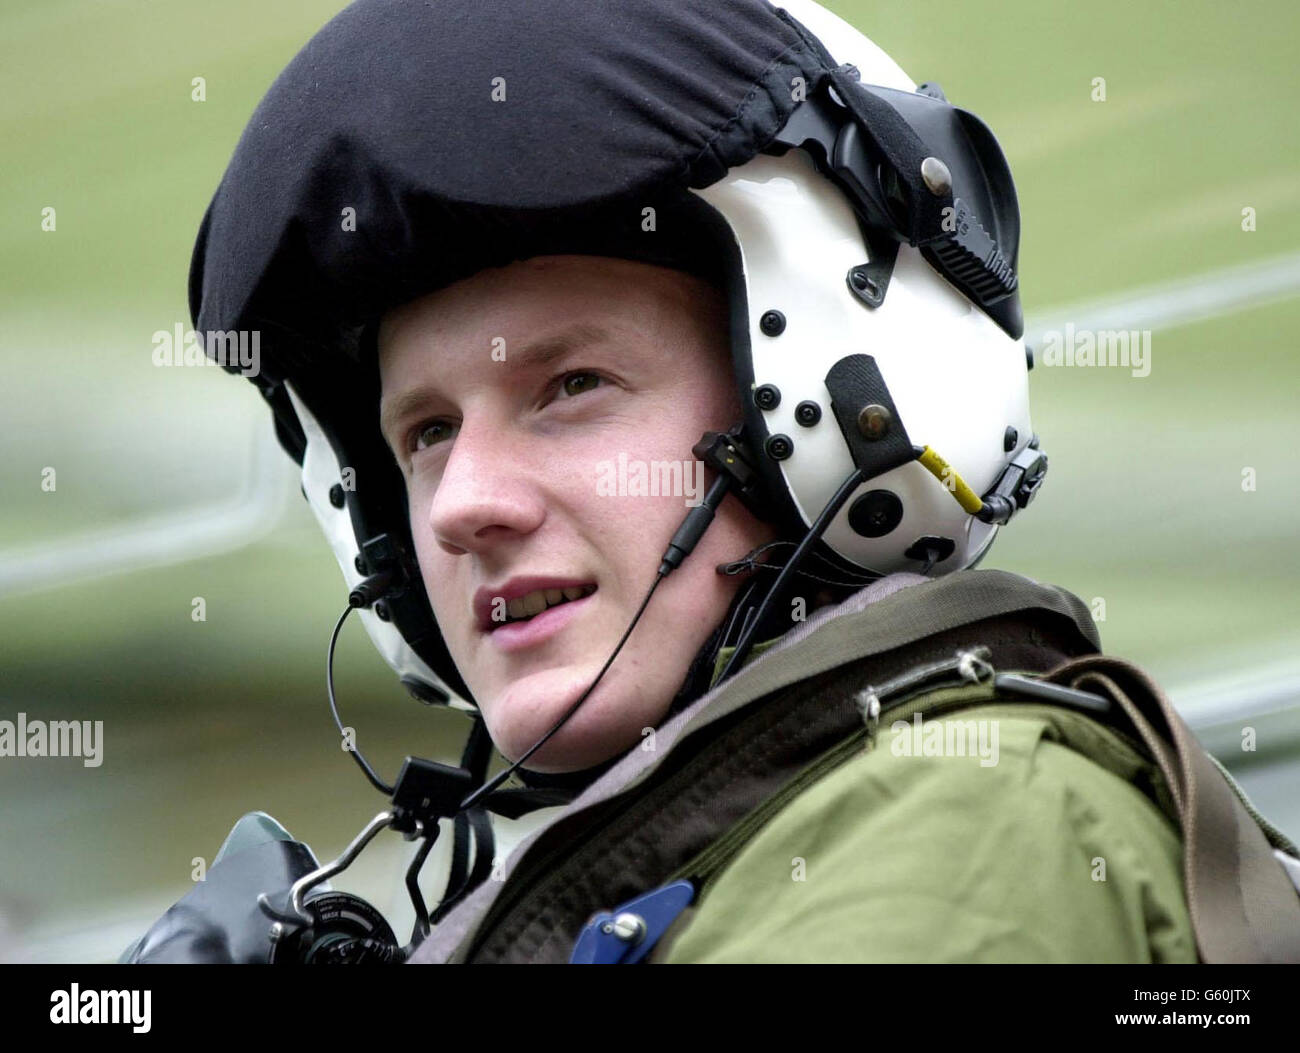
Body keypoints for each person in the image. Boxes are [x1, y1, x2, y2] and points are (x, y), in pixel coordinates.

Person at [130, 0, 1300, 964]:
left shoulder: (966, 825)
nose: (460, 503)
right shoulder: (711, 860)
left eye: (571, 386)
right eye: (425, 432)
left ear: (840, 413)